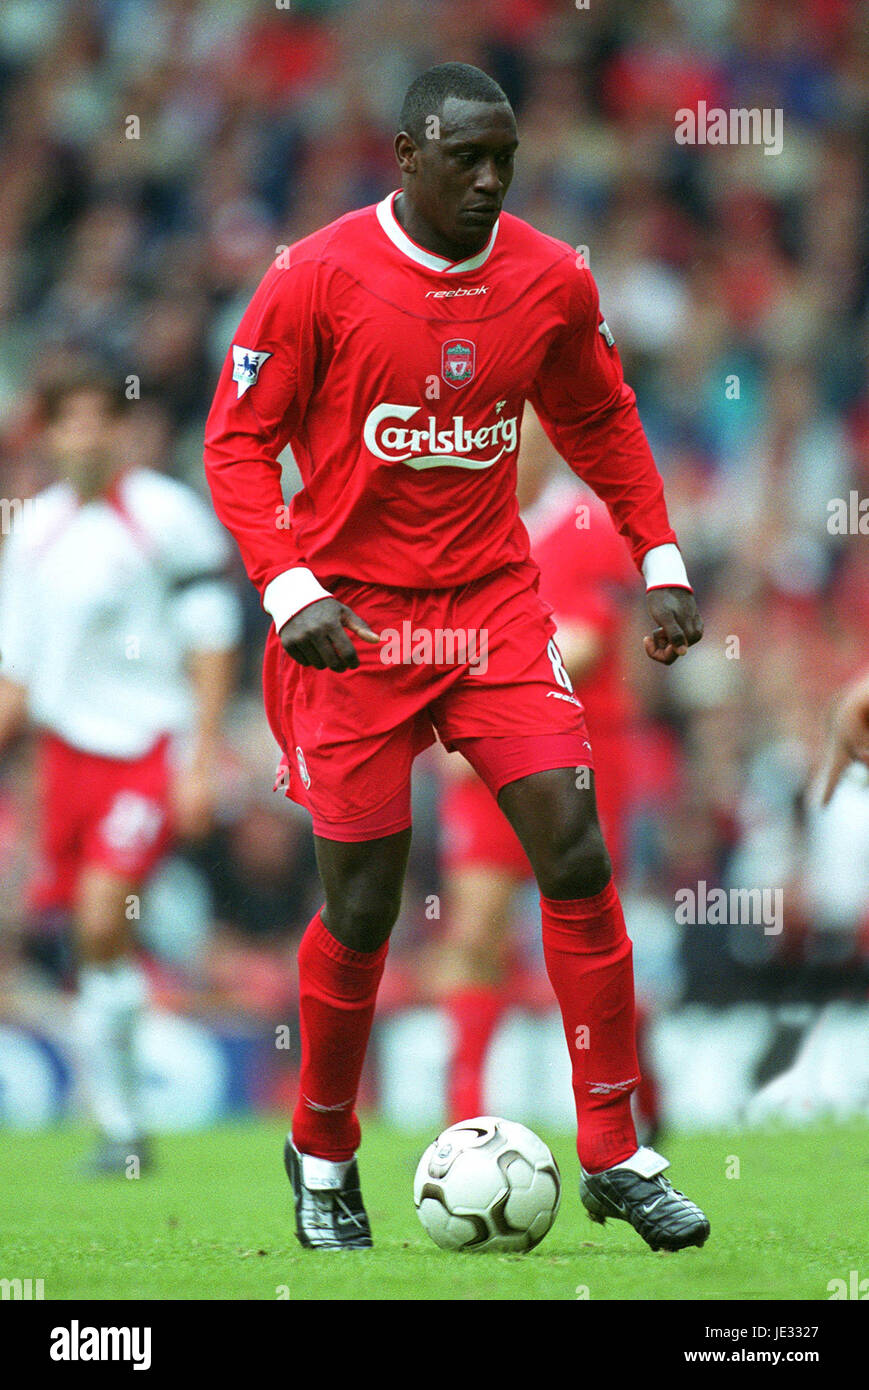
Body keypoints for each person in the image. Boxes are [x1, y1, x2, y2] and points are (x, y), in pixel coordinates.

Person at [205, 63, 709, 1253]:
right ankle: (323, 1148)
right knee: (365, 907)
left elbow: (598, 415)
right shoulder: (315, 276)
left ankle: (612, 1147)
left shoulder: (549, 276)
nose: (489, 181)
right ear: (405, 156)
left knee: (574, 849)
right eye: (466, 159)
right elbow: (237, 443)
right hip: (353, 628)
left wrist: (662, 560)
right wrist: (290, 589)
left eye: (505, 161)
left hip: (489, 611)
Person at [0, 363, 241, 1173]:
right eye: (70, 421)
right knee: (90, 941)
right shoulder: (33, 532)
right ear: (50, 435)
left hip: (148, 748)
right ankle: (123, 1128)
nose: (87, 435)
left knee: (107, 913)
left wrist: (202, 757)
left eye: (102, 418)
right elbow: (18, 674)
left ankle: (125, 1125)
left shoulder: (165, 518)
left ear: (120, 429)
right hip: (66, 759)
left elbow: (211, 637)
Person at [436, 403, 661, 1138]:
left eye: (525, 441)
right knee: (472, 933)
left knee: (592, 934)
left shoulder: (585, 526)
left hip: (579, 758)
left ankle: (637, 1094)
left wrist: (479, 695)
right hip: (483, 768)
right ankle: (462, 1119)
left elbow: (586, 644)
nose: (509, 456)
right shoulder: (456, 527)